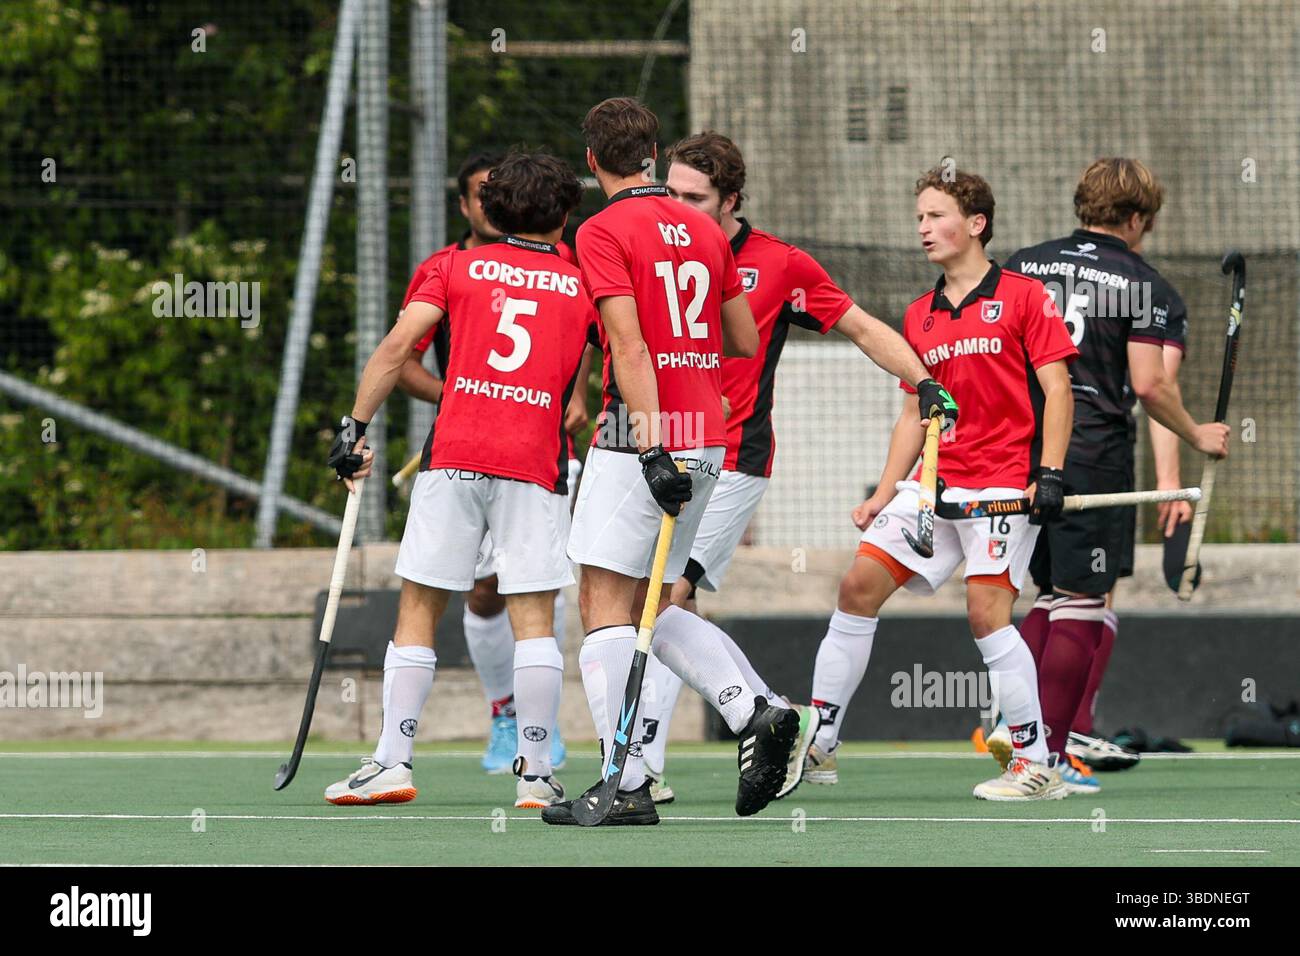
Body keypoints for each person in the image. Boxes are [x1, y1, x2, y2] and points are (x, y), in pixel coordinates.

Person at [636, 130, 952, 803]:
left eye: (696, 198)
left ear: (732, 201)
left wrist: (922, 379)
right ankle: (748, 727)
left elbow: (862, 326)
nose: (679, 208)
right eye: (670, 192)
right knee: (647, 603)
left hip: (733, 458)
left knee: (666, 600)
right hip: (663, 448)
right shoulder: (652, 245)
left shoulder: (780, 265)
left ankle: (653, 766)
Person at [541, 97, 798, 827]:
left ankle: (623, 782)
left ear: (593, 162)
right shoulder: (705, 227)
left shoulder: (599, 230)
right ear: (653, 156)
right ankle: (754, 711)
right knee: (653, 601)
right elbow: (743, 338)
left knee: (600, 601)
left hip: (639, 434)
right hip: (709, 431)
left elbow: (627, 345)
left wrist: (651, 444)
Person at [798, 166, 1079, 801]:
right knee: (856, 586)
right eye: (919, 217)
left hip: (1002, 487)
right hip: (933, 487)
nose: (923, 228)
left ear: (976, 224)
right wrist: (883, 491)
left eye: (936, 215)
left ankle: (1035, 765)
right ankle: (820, 744)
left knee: (986, 617)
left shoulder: (1027, 297)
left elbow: (1058, 389)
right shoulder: (919, 315)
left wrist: (1052, 472)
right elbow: (912, 413)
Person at [323, 151, 591, 810]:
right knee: (534, 618)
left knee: (419, 608)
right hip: (535, 460)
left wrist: (353, 429)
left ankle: (393, 761)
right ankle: (534, 773)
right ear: (566, 215)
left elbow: (395, 351)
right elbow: (599, 380)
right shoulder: (582, 284)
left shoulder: (453, 267)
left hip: (455, 455)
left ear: (490, 209)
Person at [994, 158, 1229, 788]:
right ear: (1136, 218)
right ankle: (1044, 752)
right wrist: (1197, 434)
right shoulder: (1141, 279)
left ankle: (1017, 729)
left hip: (1020, 449)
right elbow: (1151, 385)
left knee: (1043, 592)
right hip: (1091, 452)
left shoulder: (1022, 262)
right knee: (1084, 598)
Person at [397, 151, 587, 774]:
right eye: (478, 193)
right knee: (486, 595)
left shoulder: (562, 270)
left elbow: (587, 339)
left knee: (537, 597)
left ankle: (531, 738)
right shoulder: (450, 267)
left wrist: (578, 395)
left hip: (531, 450)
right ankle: (513, 725)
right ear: (466, 205)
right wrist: (467, 394)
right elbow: (406, 362)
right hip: (474, 445)